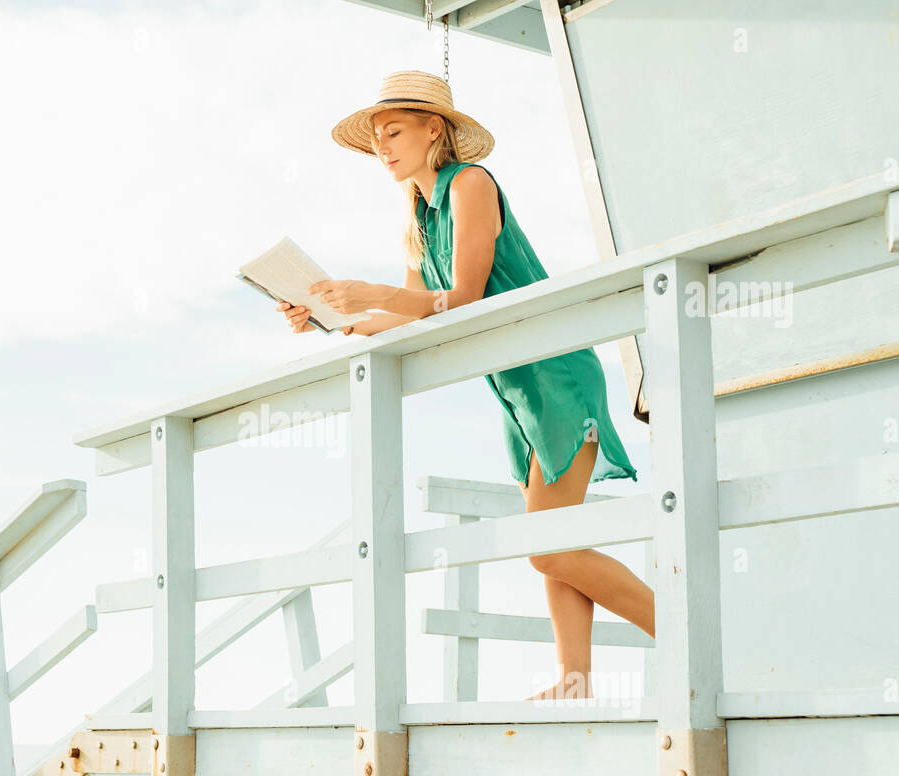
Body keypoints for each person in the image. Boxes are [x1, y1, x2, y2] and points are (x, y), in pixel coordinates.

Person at [277, 70, 654, 701]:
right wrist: (328, 318)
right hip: (515, 384)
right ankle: (574, 680)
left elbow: (461, 298)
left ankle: (684, 635)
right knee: (556, 542)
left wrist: (372, 292)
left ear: (436, 129)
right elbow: (405, 313)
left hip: (553, 369)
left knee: (547, 547)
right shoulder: (420, 215)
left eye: (393, 132)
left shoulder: (470, 184)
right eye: (376, 139)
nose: (383, 148)